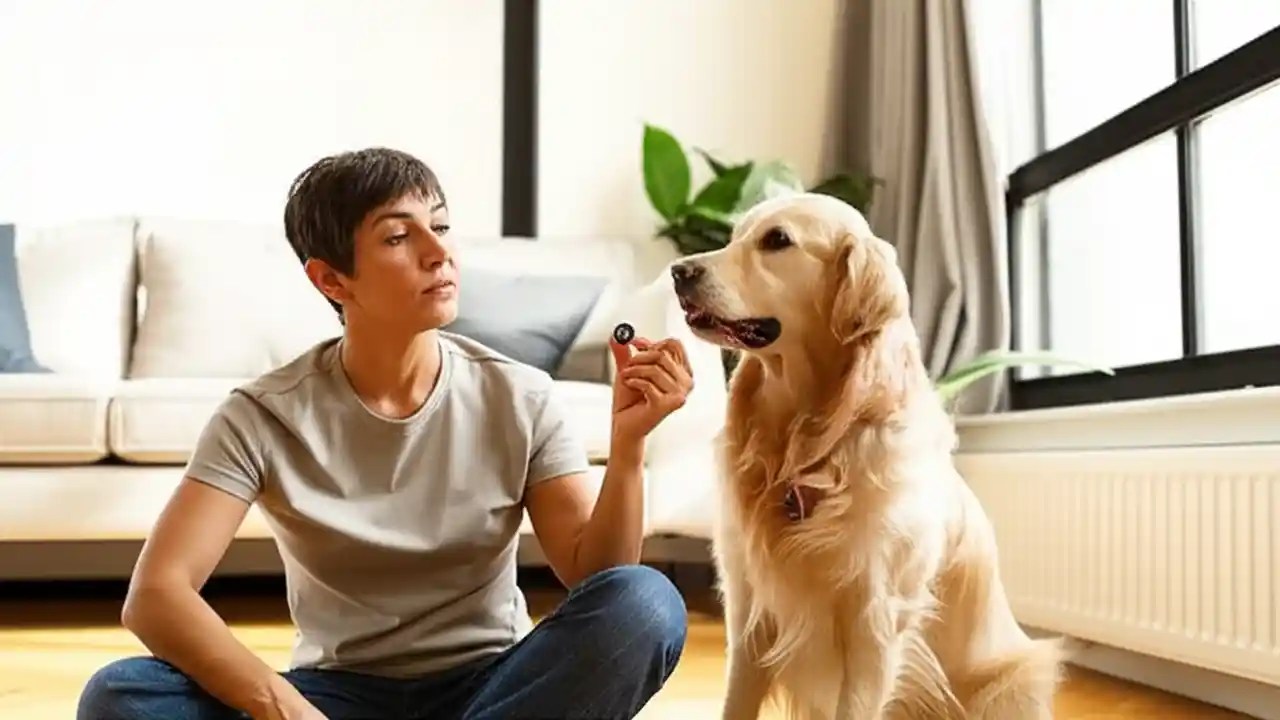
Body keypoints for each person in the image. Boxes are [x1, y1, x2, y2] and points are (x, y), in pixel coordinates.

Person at [77, 148, 695, 719]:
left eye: (442, 227)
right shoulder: (261, 416)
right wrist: (286, 710)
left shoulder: (520, 395)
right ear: (331, 281)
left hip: (494, 688)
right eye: (399, 236)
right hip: (337, 694)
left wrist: (630, 448)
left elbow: (599, 578)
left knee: (645, 602)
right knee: (123, 695)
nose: (438, 252)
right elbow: (157, 594)